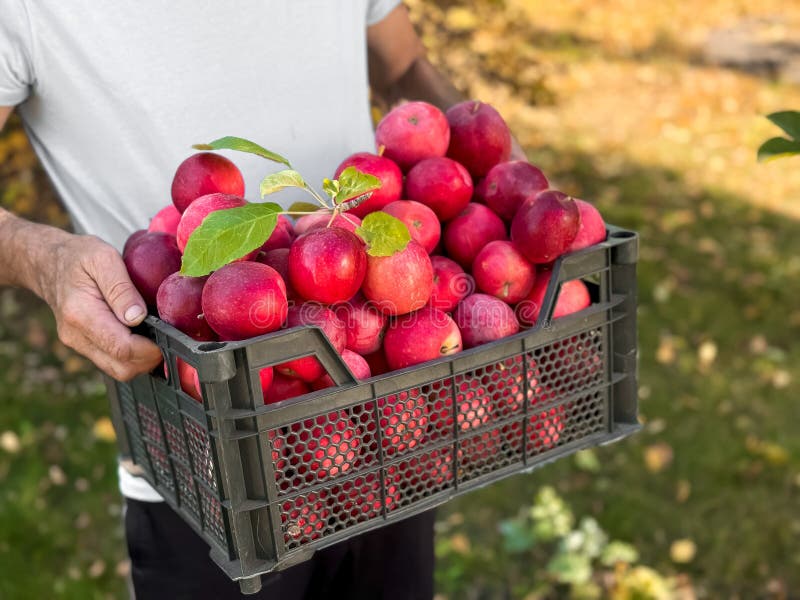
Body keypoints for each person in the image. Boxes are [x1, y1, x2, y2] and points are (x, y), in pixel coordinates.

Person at [0, 2, 520, 598]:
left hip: (384, 412)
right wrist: (42, 260)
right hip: (205, 456)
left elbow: (403, 62)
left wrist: (483, 153)